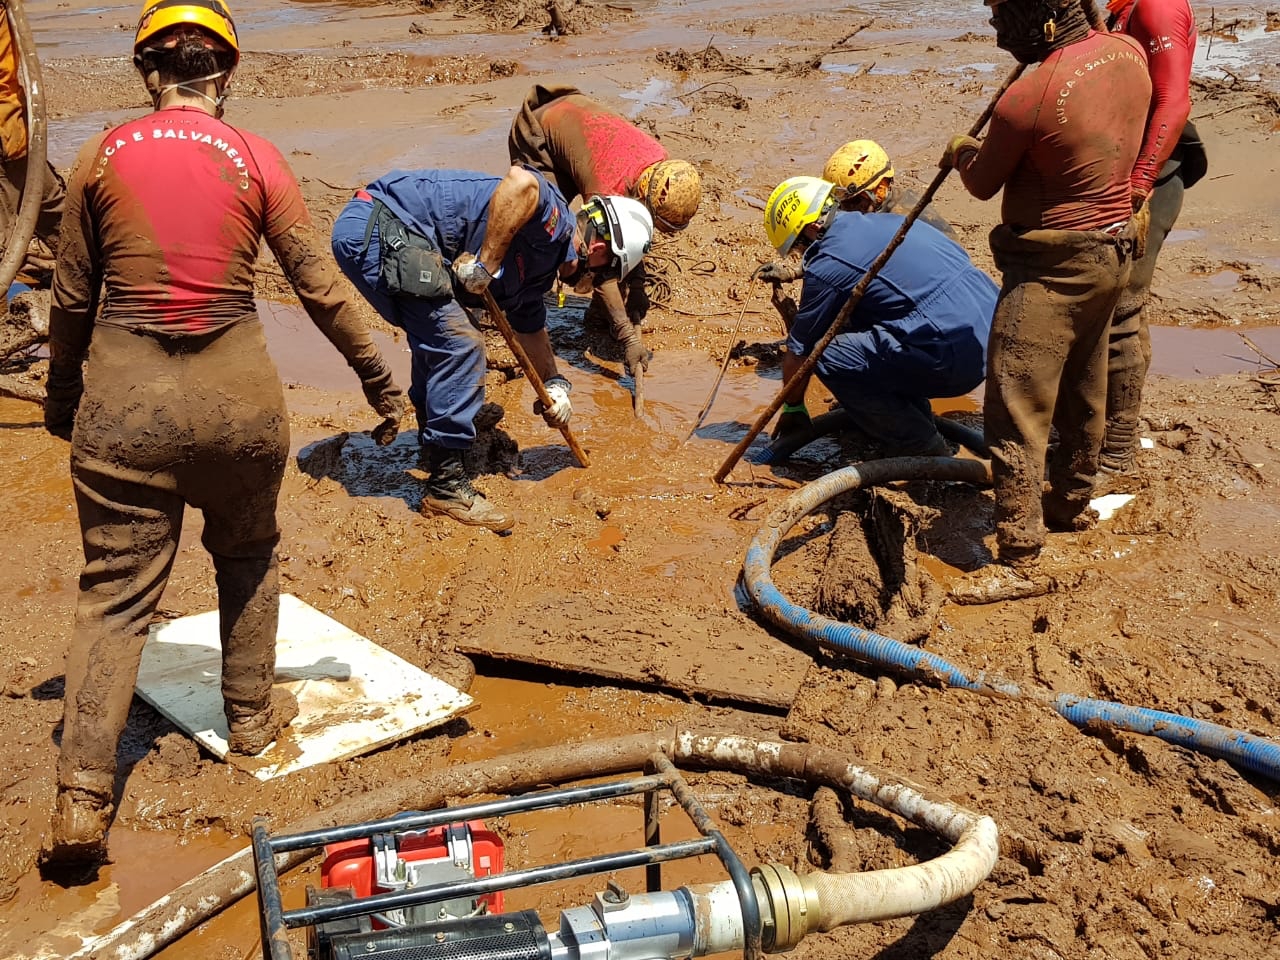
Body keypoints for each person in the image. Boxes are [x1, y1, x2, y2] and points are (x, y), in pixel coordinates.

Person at [40, 0, 408, 869]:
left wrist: (63, 399)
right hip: (238, 403)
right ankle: (248, 721)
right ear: (227, 75)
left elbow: (69, 301)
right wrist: (383, 385)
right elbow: (318, 287)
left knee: (116, 595)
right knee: (247, 556)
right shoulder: (253, 156)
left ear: (145, 74)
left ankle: (82, 799)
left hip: (126, 409)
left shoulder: (100, 156)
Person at [940, 0, 1150, 570]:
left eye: (1004, 14)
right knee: (1086, 383)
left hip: (1050, 269)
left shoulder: (1027, 98)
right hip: (1113, 251)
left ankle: (1019, 549)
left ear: (1046, 21)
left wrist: (962, 150)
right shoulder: (1129, 54)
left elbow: (983, 184)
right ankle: (1069, 500)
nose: (995, 26)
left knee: (1014, 404)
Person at [332, 167, 653, 532]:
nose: (595, 284)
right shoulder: (556, 224)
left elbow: (529, 324)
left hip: (396, 237)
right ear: (598, 249)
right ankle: (447, 488)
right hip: (379, 230)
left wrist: (555, 383)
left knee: (442, 332)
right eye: (603, 273)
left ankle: (436, 435)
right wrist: (488, 264)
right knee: (461, 343)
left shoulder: (541, 268)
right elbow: (521, 183)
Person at [761, 176, 996, 458]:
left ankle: (921, 445)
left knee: (823, 353)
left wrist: (793, 407)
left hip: (955, 361)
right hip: (994, 340)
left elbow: (800, 353)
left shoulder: (828, 262)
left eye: (799, 245)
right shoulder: (893, 222)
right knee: (864, 321)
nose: (802, 254)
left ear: (813, 228)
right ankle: (913, 419)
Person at [508, 84, 700, 379]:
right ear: (643, 198)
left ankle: (599, 316)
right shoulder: (610, 187)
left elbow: (630, 235)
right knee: (544, 229)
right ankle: (508, 292)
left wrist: (637, 287)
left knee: (607, 247)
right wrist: (628, 337)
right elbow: (600, 263)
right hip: (539, 134)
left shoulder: (661, 167)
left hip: (574, 119)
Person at [1100, 0, 1202, 473]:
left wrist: (1140, 182)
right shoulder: (1123, 8)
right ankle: (1103, 425)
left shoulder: (1157, 8)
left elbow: (1174, 100)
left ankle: (1117, 450)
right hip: (1122, 164)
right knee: (1111, 302)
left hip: (1151, 172)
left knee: (1121, 306)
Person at [758, 139, 956, 286]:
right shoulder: (878, 211)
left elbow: (849, 259)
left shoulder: (902, 222)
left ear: (870, 196)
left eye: (848, 203)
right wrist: (796, 269)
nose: (841, 210)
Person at [1, 0, 65, 288]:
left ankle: (89, 280)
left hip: (16, 136)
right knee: (4, 247)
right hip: (6, 140)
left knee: (54, 209)